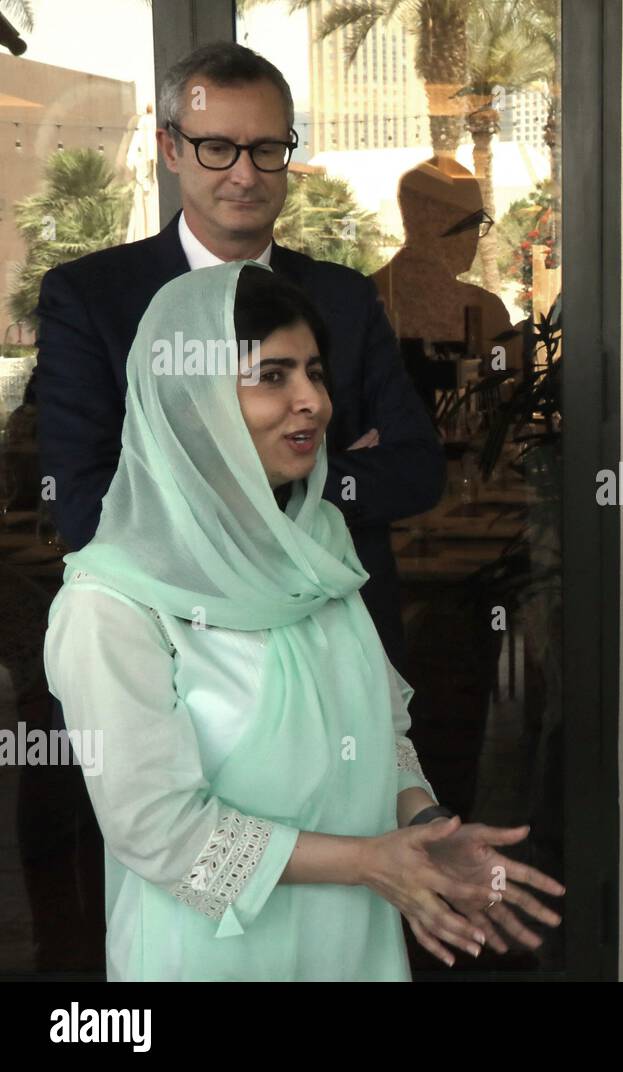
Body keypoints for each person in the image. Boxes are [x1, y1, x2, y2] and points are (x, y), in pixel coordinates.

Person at [43, 261, 562, 981]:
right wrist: (365, 863)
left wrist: (420, 828)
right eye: (273, 375)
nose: (311, 401)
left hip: (353, 942)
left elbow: (380, 731)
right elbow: (161, 834)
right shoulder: (112, 602)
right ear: (192, 398)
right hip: (213, 957)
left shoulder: (318, 545)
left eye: (315, 372)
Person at [35, 41, 440, 668]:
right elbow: (85, 501)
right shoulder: (92, 298)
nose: (244, 174)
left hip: (340, 641)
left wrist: (186, 485)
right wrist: (308, 475)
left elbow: (415, 471)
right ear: (171, 148)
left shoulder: (343, 296)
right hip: (168, 654)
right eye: (217, 148)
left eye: (266, 150)